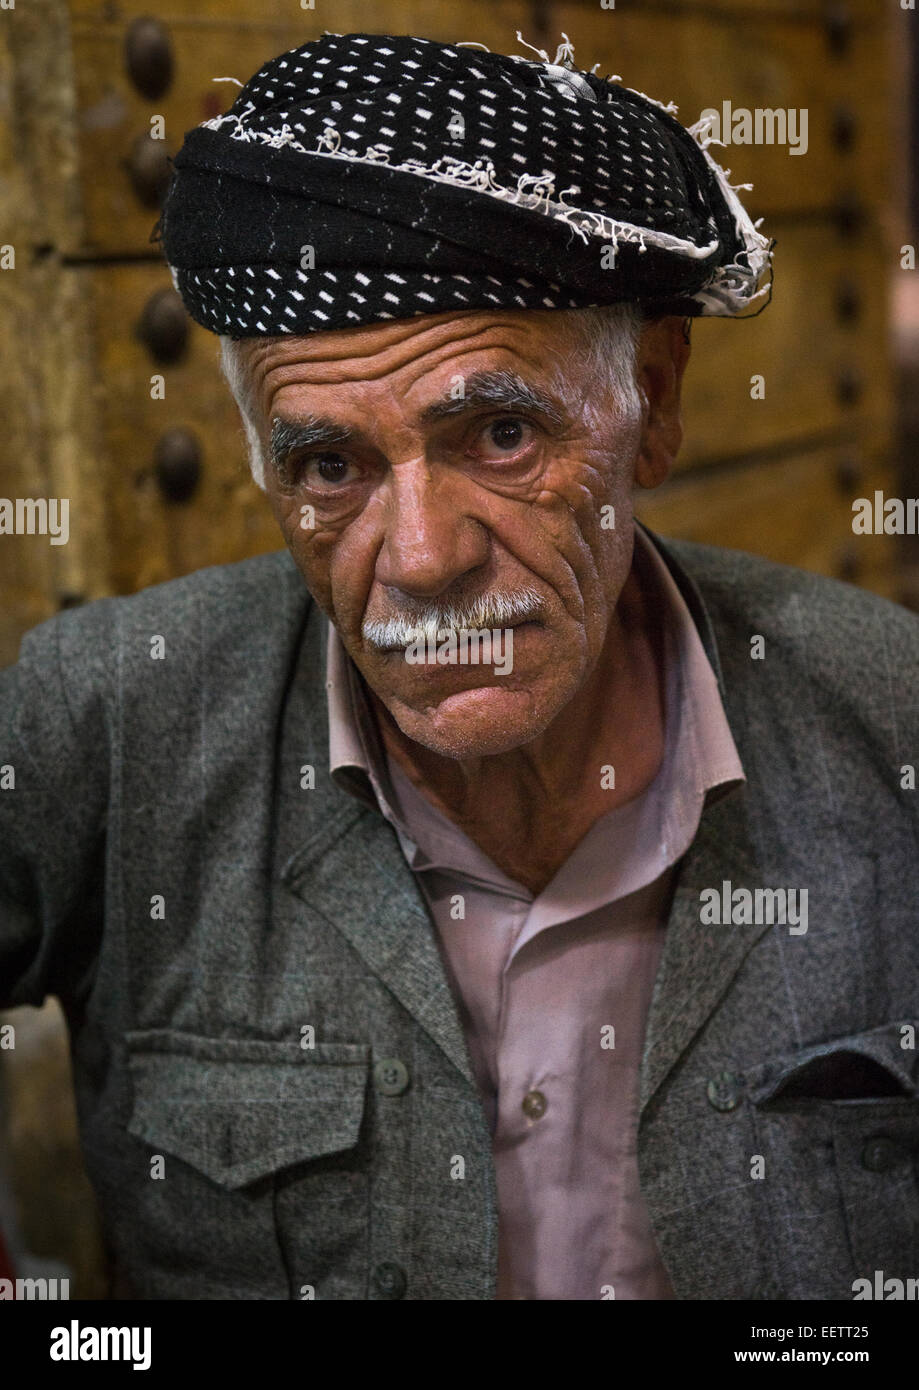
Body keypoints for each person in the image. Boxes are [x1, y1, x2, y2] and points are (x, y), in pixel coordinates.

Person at [1, 31, 917, 1301]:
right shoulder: (106, 722)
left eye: (498, 433)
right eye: (331, 467)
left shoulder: (891, 715)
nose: (420, 557)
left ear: (651, 399)